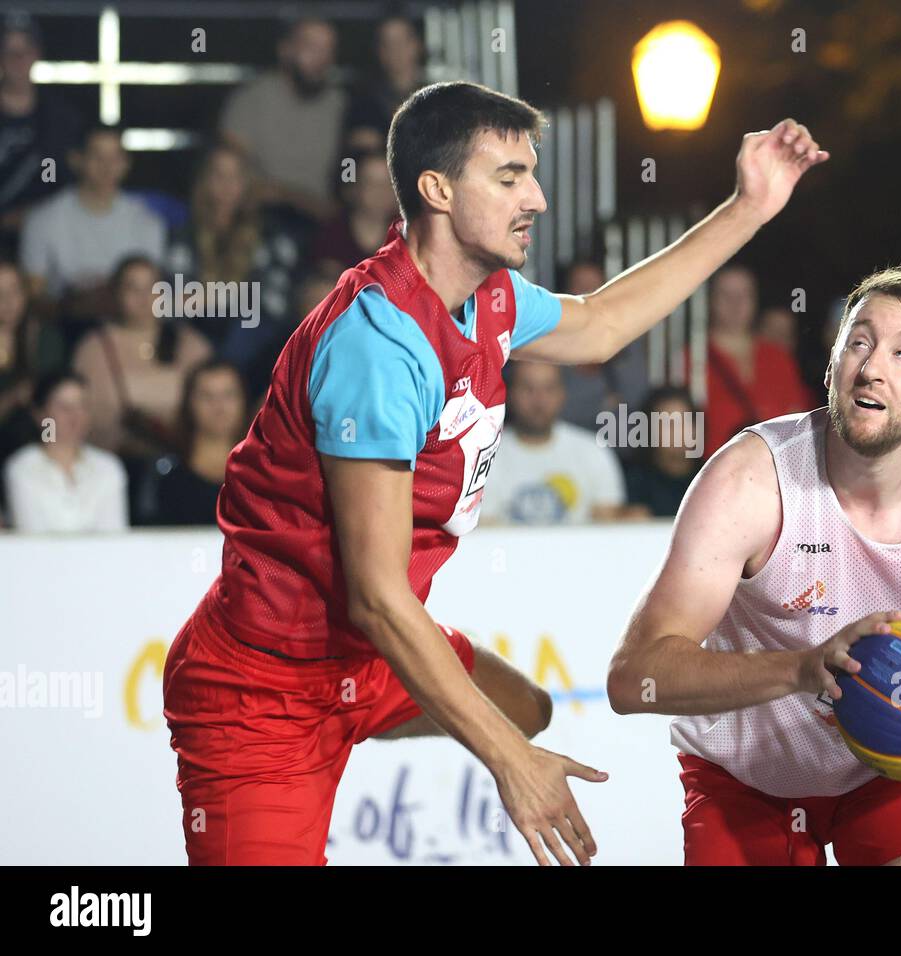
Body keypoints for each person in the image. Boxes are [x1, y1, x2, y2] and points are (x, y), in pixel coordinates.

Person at [161, 79, 829, 866]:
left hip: (359, 660)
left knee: (528, 707)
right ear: (436, 189)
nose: (538, 198)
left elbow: (605, 322)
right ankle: (305, 759)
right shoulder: (378, 349)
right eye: (510, 176)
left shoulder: (492, 298)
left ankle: (352, 726)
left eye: (533, 173)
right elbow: (376, 596)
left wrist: (749, 205)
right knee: (508, 734)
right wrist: (511, 766)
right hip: (265, 685)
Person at [608, 266, 901, 866]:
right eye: (858, 341)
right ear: (832, 361)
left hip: (897, 765)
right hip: (747, 773)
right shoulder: (750, 479)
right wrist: (802, 670)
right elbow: (632, 678)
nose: (872, 366)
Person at [163, 144, 301, 361]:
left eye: (236, 176)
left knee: (247, 329)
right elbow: (169, 302)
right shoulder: (185, 235)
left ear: (248, 182)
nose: (227, 185)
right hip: (198, 335)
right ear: (205, 180)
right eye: (219, 175)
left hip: (256, 339)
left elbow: (273, 303)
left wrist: (213, 296)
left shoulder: (272, 235)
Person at [70, 256, 212, 467]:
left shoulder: (190, 344)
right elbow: (78, 413)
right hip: (112, 464)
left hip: (183, 464)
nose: (144, 298)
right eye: (132, 288)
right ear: (116, 294)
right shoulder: (93, 349)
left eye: (152, 287)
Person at [18, 125, 165, 323]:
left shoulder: (148, 222)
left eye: (115, 158)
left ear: (126, 163)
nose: (107, 167)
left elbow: (152, 297)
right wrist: (75, 305)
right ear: (76, 160)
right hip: (63, 328)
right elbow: (32, 299)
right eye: (97, 156)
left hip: (127, 329)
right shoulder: (42, 220)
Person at [219, 17, 346, 224]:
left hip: (321, 226)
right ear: (285, 49)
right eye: (311, 47)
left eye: (328, 50)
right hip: (259, 219)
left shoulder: (340, 105)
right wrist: (294, 198)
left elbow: (354, 176)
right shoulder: (250, 100)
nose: (321, 59)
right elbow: (229, 173)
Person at [481, 362, 638, 524]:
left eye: (549, 388)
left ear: (563, 394)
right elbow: (483, 529)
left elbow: (609, 524)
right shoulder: (485, 453)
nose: (539, 400)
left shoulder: (594, 450)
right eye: (528, 388)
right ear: (509, 393)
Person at [697, 264, 813, 458]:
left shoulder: (778, 358)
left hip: (772, 474)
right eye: (725, 294)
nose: (735, 303)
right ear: (710, 301)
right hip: (713, 473)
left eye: (744, 294)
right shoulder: (691, 358)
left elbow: (798, 424)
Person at [0, 13, 86, 252]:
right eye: (9, 51)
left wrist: (36, 217)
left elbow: (73, 181)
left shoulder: (61, 118)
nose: (18, 60)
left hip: (49, 238)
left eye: (25, 51)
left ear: (36, 54)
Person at [4, 370, 127, 532]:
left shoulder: (108, 467)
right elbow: (32, 536)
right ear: (41, 414)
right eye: (64, 407)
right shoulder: (23, 467)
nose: (75, 416)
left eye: (82, 406)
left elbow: (114, 536)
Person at [148, 360, 248, 527]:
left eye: (229, 395)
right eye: (206, 396)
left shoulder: (268, 470)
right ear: (189, 404)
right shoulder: (166, 475)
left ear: (244, 401)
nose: (219, 406)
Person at [557, 259, 649, 433]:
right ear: (564, 295)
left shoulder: (626, 343)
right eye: (581, 287)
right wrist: (607, 404)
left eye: (597, 288)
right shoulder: (550, 346)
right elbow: (556, 413)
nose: (589, 296)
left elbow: (639, 404)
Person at [0, 258, 63, 479]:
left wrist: (52, 450)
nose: (6, 301)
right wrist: (12, 398)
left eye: (14, 291)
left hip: (38, 444)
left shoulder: (45, 339)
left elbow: (57, 404)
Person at [344, 11, 426, 154]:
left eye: (402, 41)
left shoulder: (437, 98)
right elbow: (351, 159)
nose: (396, 50)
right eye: (388, 43)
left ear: (417, 45)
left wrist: (381, 140)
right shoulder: (362, 100)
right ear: (379, 51)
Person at [622, 385, 702, 518]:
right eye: (668, 424)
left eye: (685, 422)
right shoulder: (632, 481)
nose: (678, 432)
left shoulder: (712, 475)